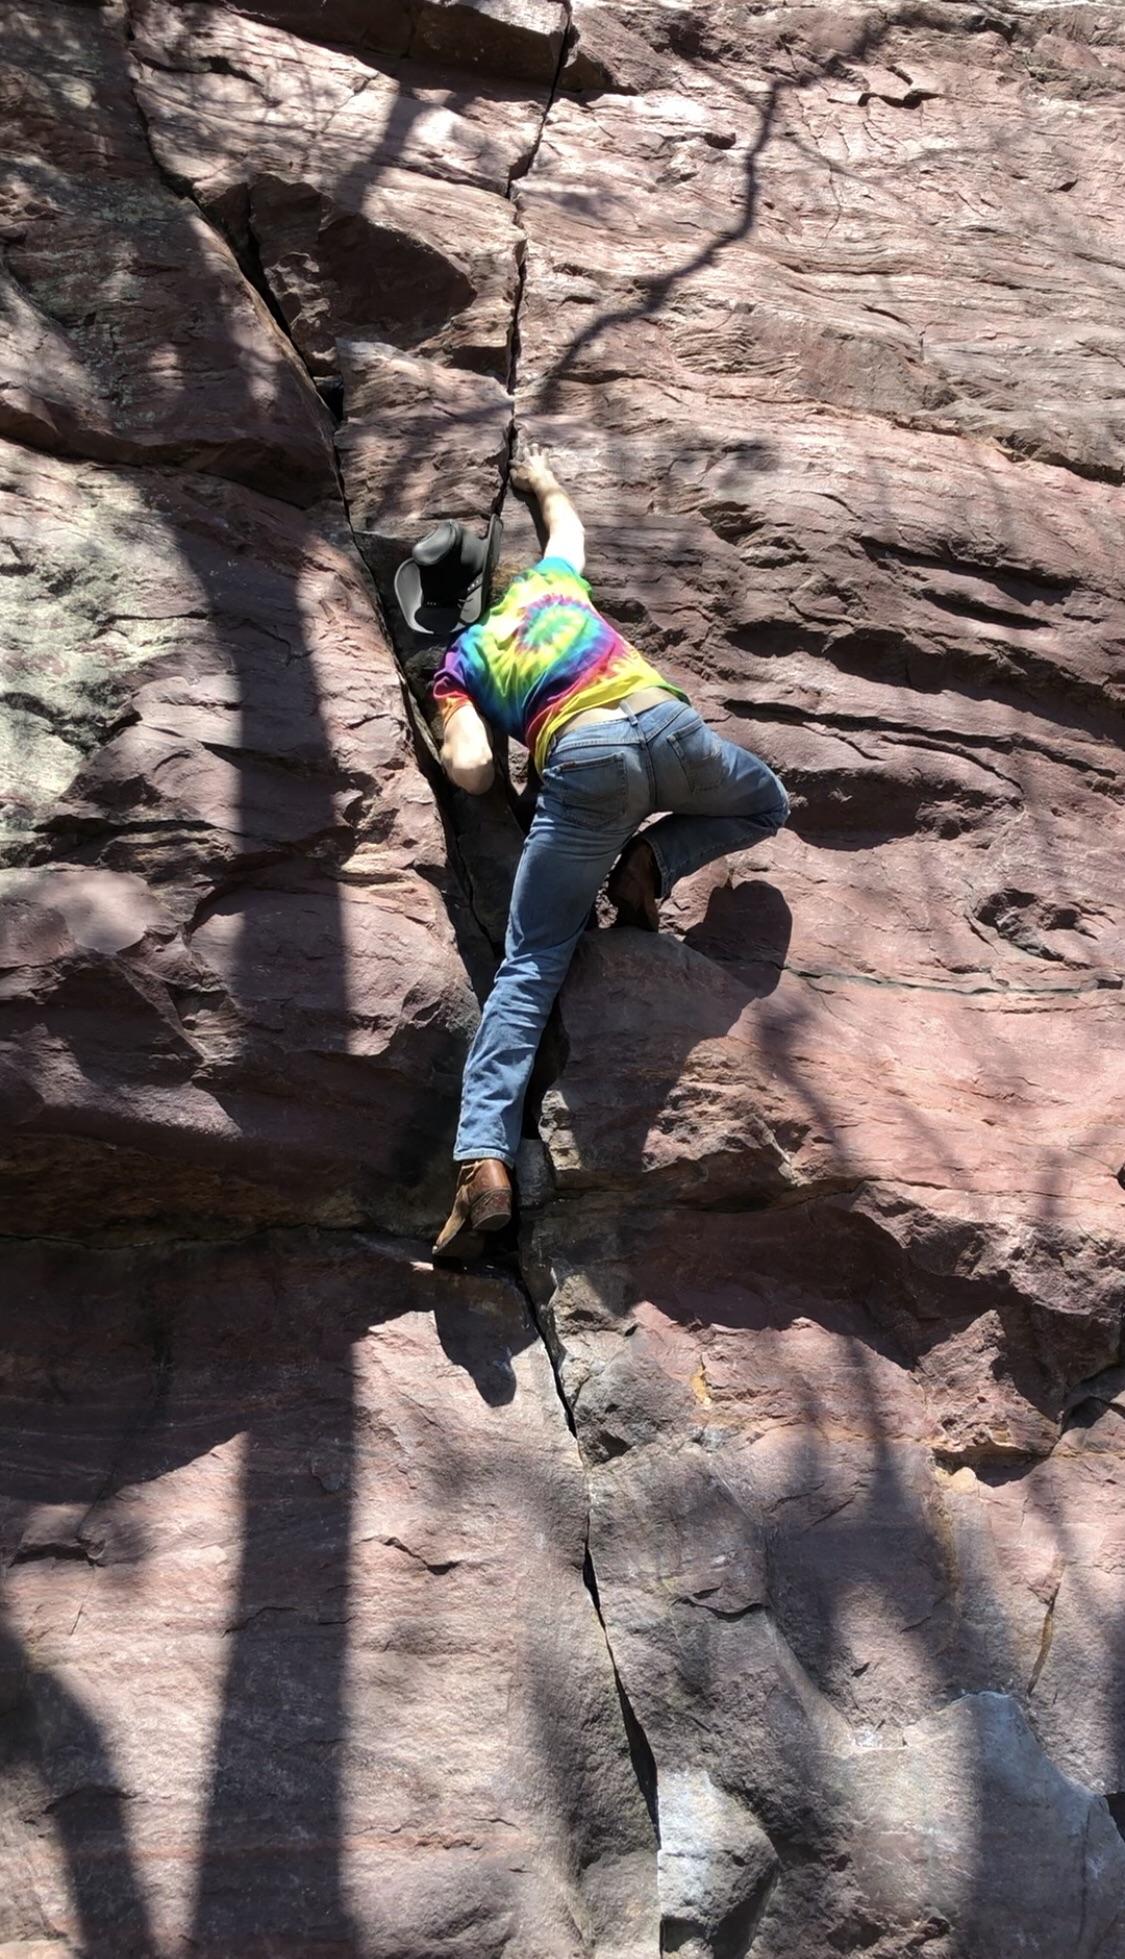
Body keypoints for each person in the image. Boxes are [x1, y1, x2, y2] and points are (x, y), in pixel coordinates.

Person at [431, 441, 789, 1258]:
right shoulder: (546, 585)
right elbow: (564, 528)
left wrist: (446, 711)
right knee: (765, 800)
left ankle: (482, 1160)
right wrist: (538, 480)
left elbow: (476, 772)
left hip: (585, 764)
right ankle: (651, 863)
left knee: (530, 968)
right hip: (669, 725)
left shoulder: (463, 660)